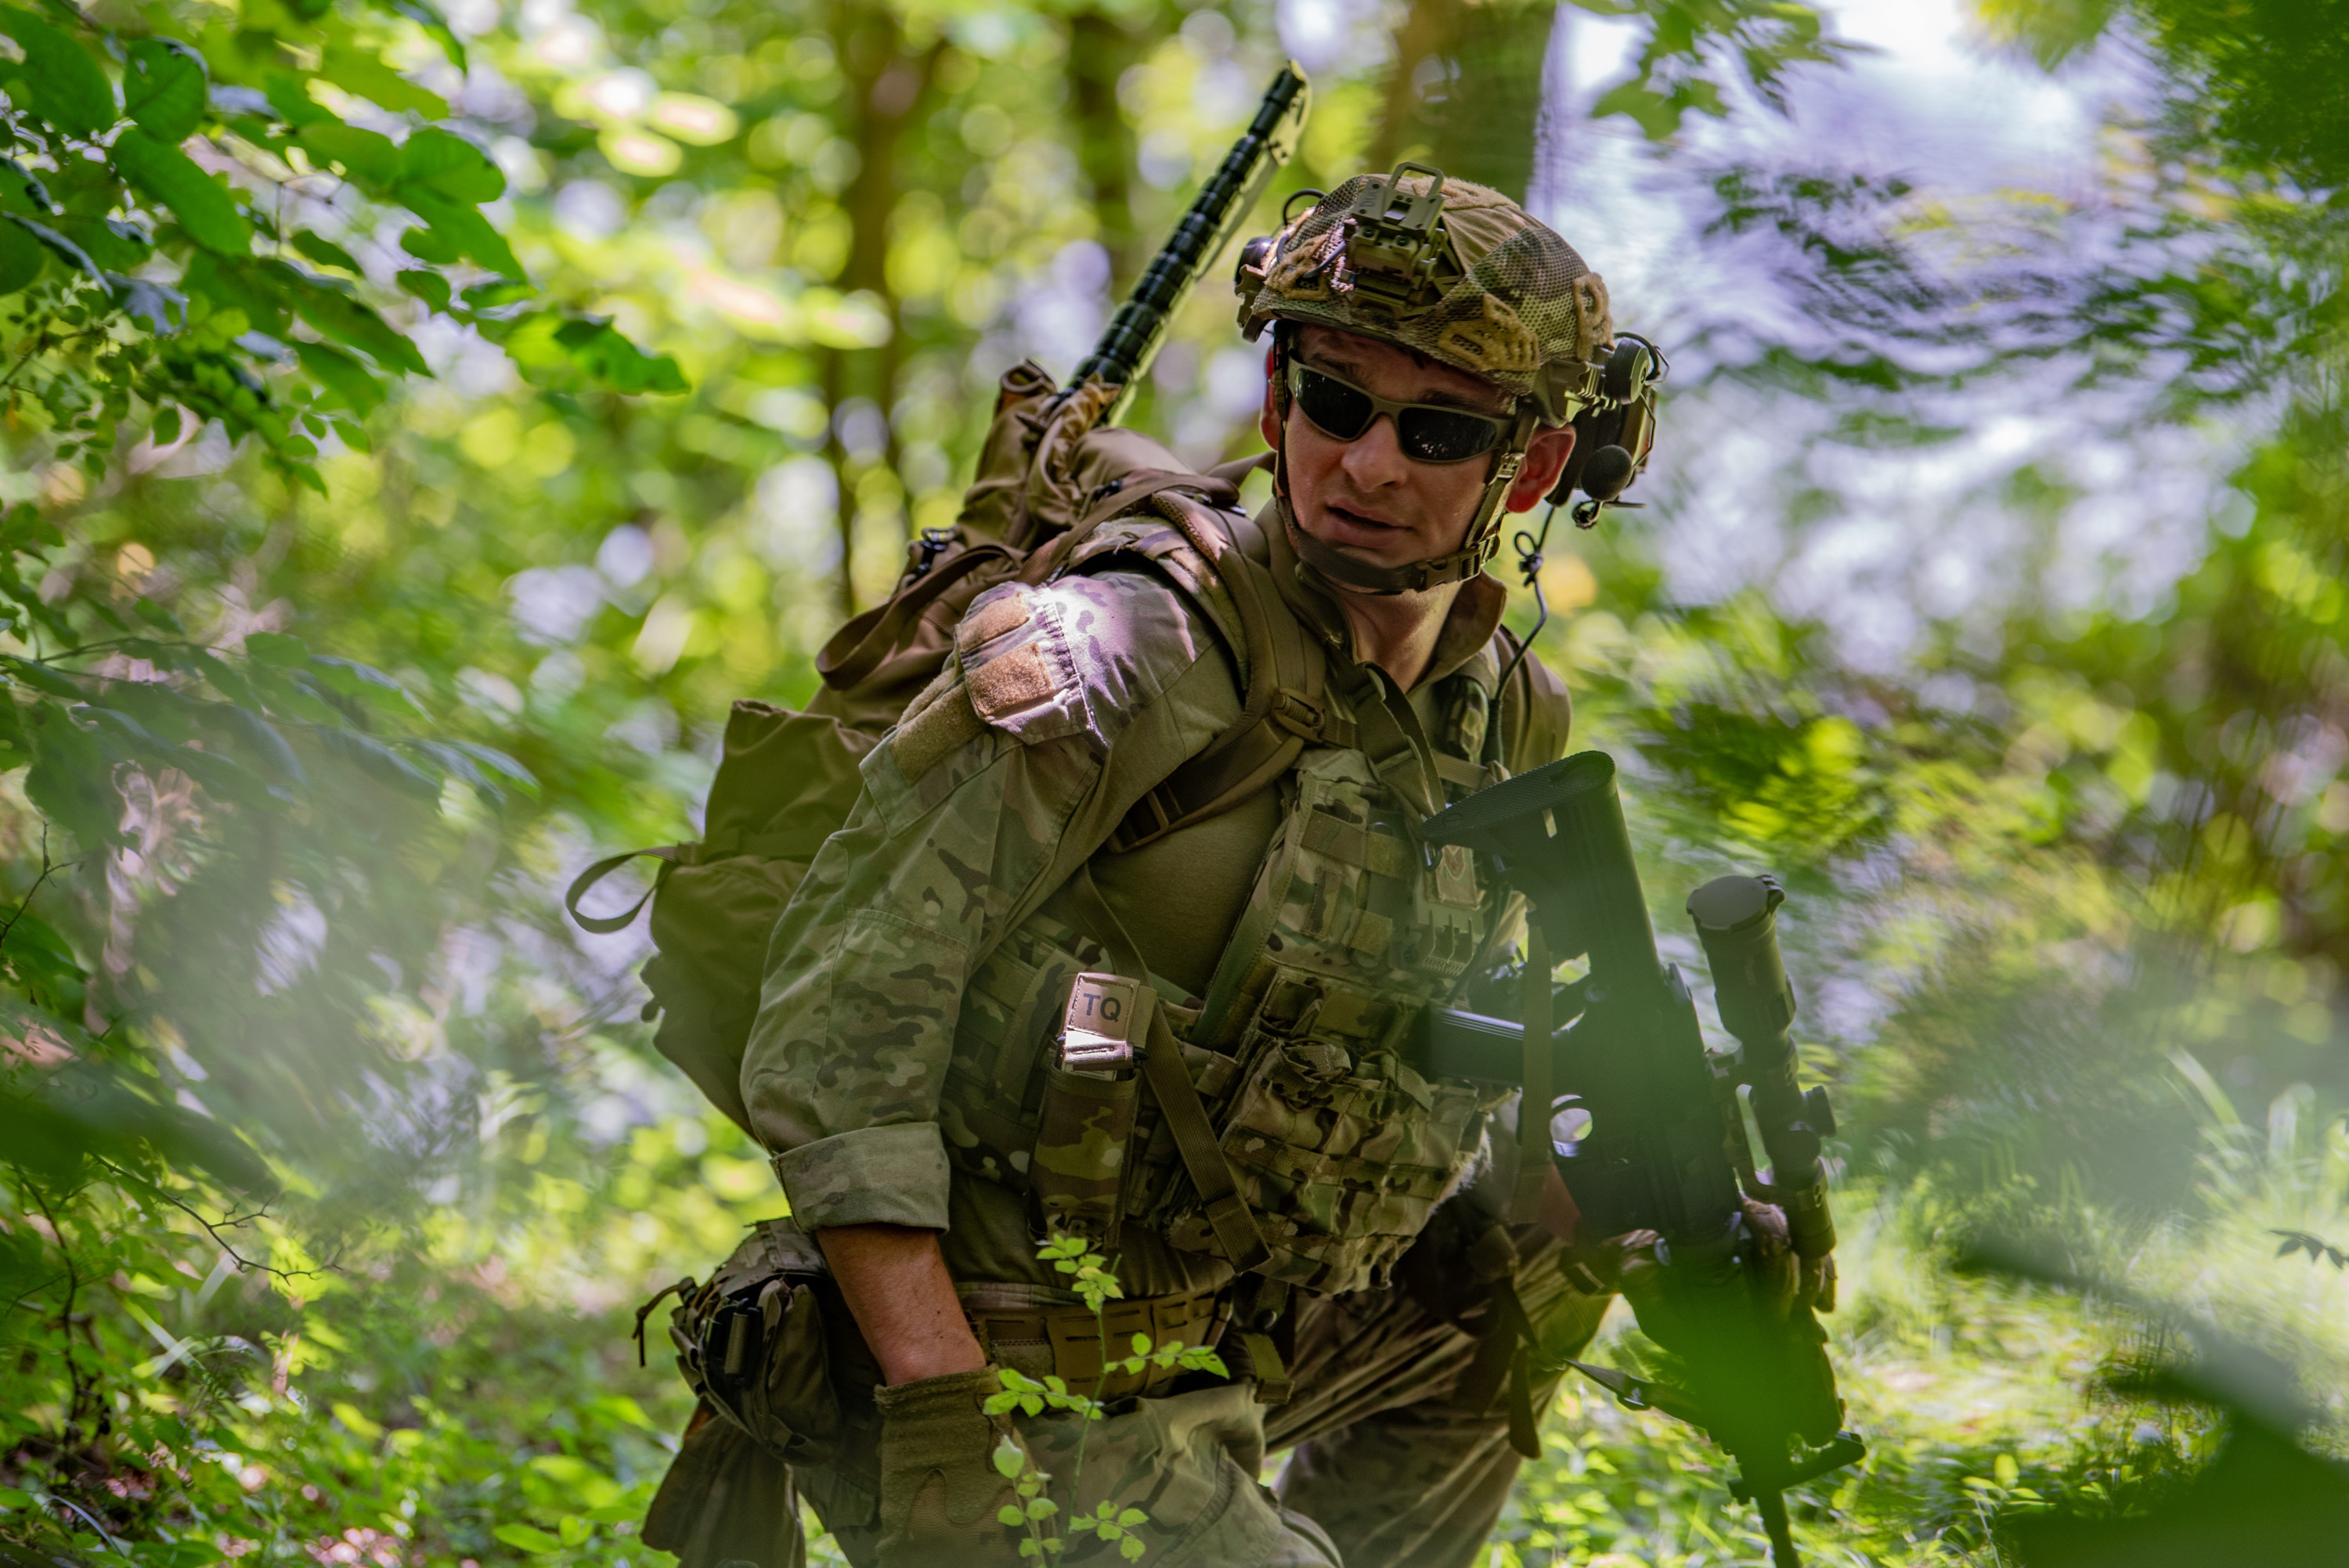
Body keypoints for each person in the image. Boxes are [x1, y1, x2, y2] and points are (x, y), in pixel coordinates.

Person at [731, 168, 1645, 1567]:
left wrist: (1653, 1203)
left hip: (1228, 1336)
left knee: (1526, 1265)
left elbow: (1380, 1066)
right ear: (1279, 403)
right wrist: (940, 1406)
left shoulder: (1504, 721)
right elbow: (832, 1027)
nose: (1371, 463)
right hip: (993, 1365)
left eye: (1439, 428)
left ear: (1523, 469)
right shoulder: (1119, 653)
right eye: (1334, 403)